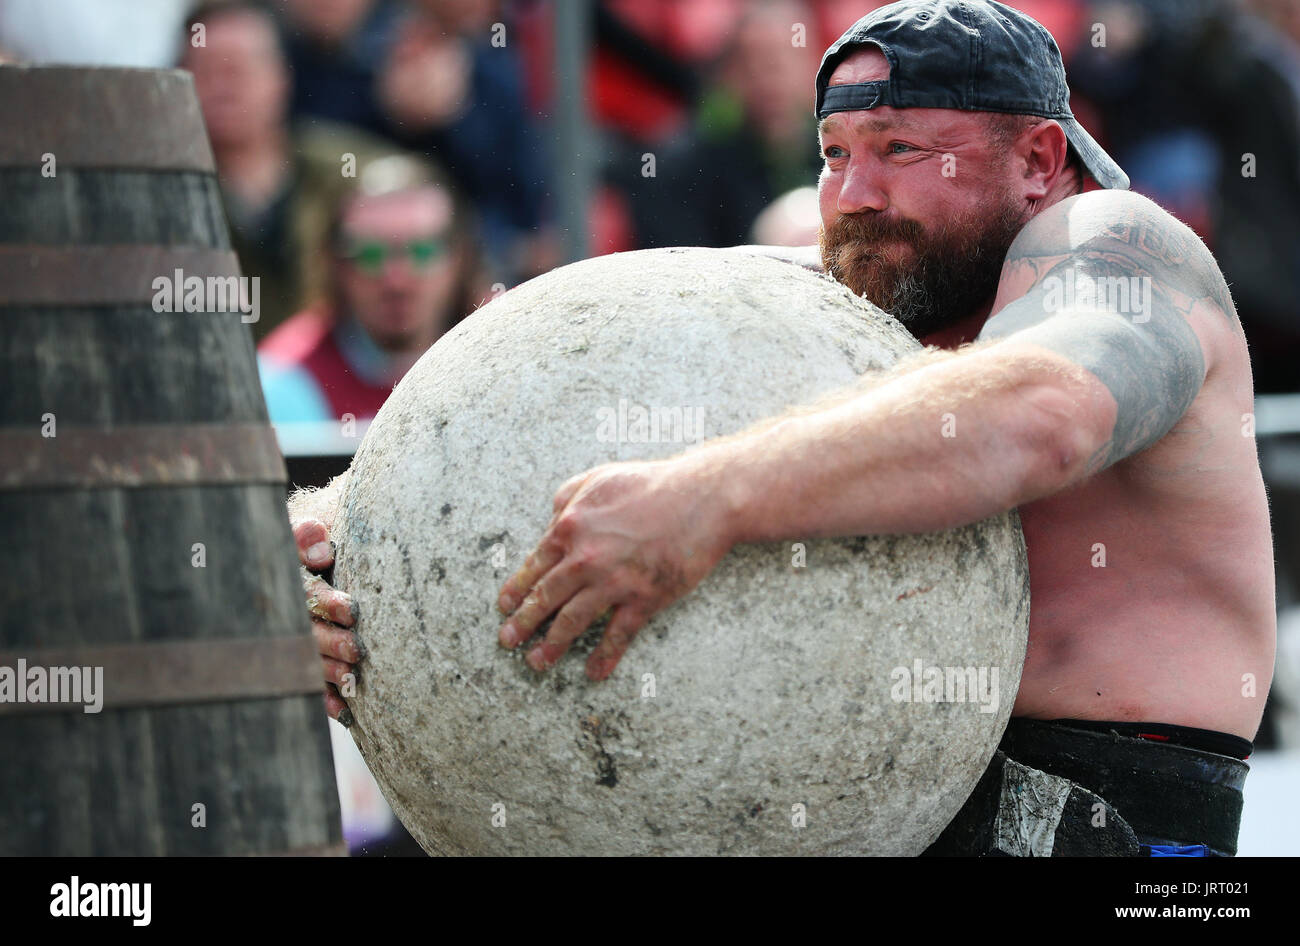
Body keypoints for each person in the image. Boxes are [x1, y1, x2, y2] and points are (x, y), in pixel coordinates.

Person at [291, 0, 1274, 856]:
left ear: (1037, 159)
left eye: (899, 150)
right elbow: (562, 383)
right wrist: (344, 548)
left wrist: (704, 497)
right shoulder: (874, 286)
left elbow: (1041, 415)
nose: (852, 196)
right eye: (834, 156)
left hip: (1116, 818)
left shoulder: (1119, 250)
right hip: (875, 807)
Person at [258, 154, 483, 425]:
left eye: (423, 252)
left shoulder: (504, 350)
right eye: (370, 255)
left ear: (459, 259)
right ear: (336, 264)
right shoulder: (286, 377)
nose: (397, 280)